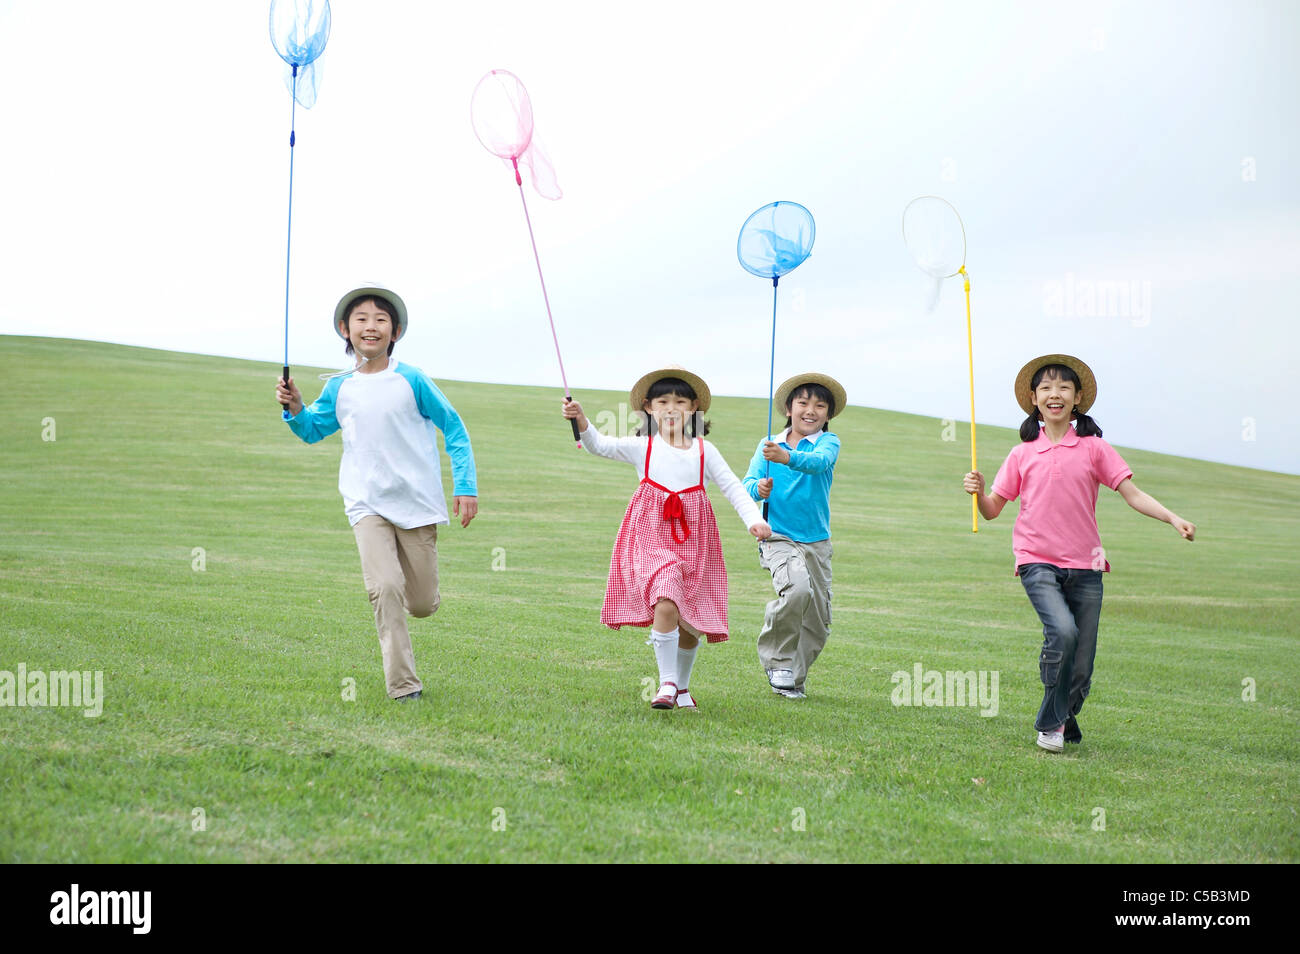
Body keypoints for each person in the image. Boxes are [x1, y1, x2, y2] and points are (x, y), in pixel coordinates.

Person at [963, 354, 1194, 751]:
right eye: (1046, 389)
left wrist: (1173, 518)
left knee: (1082, 667)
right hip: (1036, 559)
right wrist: (978, 492)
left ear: (1078, 398)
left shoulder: (1094, 448)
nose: (1055, 395)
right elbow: (993, 510)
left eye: (1063, 388)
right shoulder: (1022, 453)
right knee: (1063, 633)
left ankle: (1065, 718)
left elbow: (1132, 494)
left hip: (1087, 565)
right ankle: (1050, 724)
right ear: (1034, 399)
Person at [275, 284, 478, 702]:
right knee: (384, 588)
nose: (371, 327)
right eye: (361, 320)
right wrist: (294, 408)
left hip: (416, 502)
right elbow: (313, 430)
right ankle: (404, 686)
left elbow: (454, 427)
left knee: (420, 603)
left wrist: (466, 486)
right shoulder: (339, 387)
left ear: (395, 331)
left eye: (380, 319)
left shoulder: (412, 379)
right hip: (365, 503)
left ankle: (418, 597)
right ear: (344, 330)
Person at [562, 366, 771, 711]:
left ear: (693, 409)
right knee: (666, 595)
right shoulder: (642, 447)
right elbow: (598, 445)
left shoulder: (705, 451)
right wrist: (581, 419)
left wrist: (754, 520)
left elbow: (733, 487)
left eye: (680, 401)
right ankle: (667, 683)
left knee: (690, 619)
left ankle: (683, 687)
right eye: (663, 401)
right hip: (651, 537)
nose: (671, 408)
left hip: (695, 540)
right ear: (648, 407)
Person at [743, 373, 845, 700]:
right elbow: (747, 485)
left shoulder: (829, 443)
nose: (810, 410)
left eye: (819, 405)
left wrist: (786, 457)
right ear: (789, 408)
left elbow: (818, 464)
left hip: (816, 541)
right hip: (777, 537)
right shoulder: (768, 444)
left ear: (827, 415)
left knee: (818, 620)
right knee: (797, 589)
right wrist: (757, 488)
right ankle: (777, 662)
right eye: (802, 402)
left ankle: (792, 679)